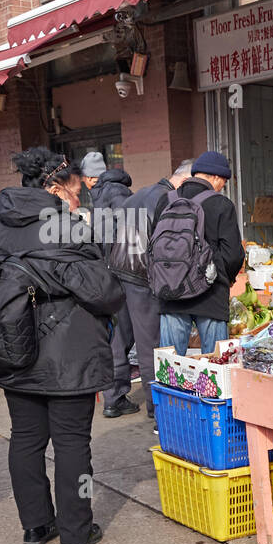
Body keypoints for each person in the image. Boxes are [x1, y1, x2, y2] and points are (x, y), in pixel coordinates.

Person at [0, 147, 124, 544]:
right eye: (78, 190)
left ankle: (35, 527)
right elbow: (104, 292)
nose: (81, 199)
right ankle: (77, 531)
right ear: (57, 187)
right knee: (71, 442)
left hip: (13, 349)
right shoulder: (67, 227)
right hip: (70, 355)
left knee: (25, 439)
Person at [109, 160, 192, 419]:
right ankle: (156, 407)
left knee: (120, 339)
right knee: (149, 343)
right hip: (141, 275)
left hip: (117, 269)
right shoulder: (168, 199)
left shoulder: (139, 194)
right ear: (184, 180)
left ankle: (113, 399)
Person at [153, 151, 244, 355]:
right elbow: (233, 254)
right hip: (210, 296)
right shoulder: (221, 204)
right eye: (224, 182)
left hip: (171, 293)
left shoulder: (165, 200)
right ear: (216, 178)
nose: (222, 187)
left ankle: (171, 388)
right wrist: (224, 278)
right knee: (215, 365)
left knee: (170, 366)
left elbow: (153, 245)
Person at [89, 164, 140, 418]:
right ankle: (115, 397)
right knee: (124, 335)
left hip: (105, 271)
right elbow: (130, 229)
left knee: (116, 336)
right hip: (123, 271)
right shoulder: (118, 191)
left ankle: (112, 395)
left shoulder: (96, 195)